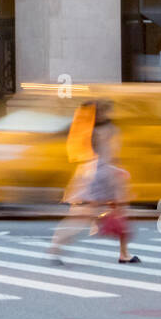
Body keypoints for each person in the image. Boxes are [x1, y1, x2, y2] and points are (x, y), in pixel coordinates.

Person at [48, 100, 136, 265]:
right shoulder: (106, 130)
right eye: (107, 110)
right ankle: (122, 252)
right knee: (99, 213)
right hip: (102, 175)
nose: (110, 113)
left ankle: (57, 246)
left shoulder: (88, 131)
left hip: (93, 173)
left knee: (98, 213)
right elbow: (112, 155)